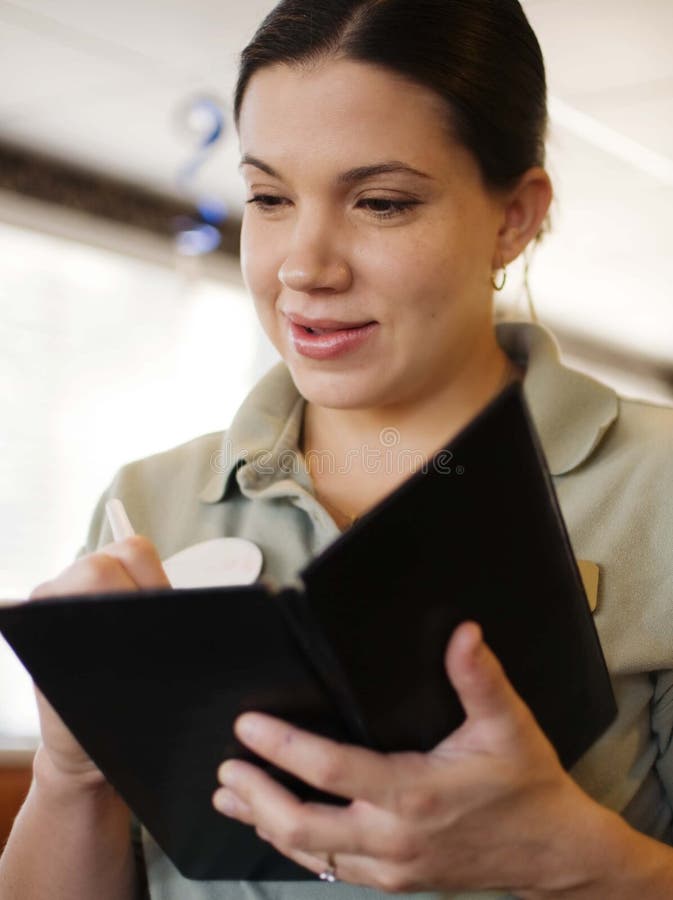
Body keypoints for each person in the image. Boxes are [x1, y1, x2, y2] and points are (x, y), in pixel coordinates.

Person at [2, 0, 673, 897]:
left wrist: (577, 862)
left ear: (513, 216)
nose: (303, 266)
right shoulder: (148, 505)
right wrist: (72, 774)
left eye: (380, 202)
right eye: (270, 198)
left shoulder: (655, 486)